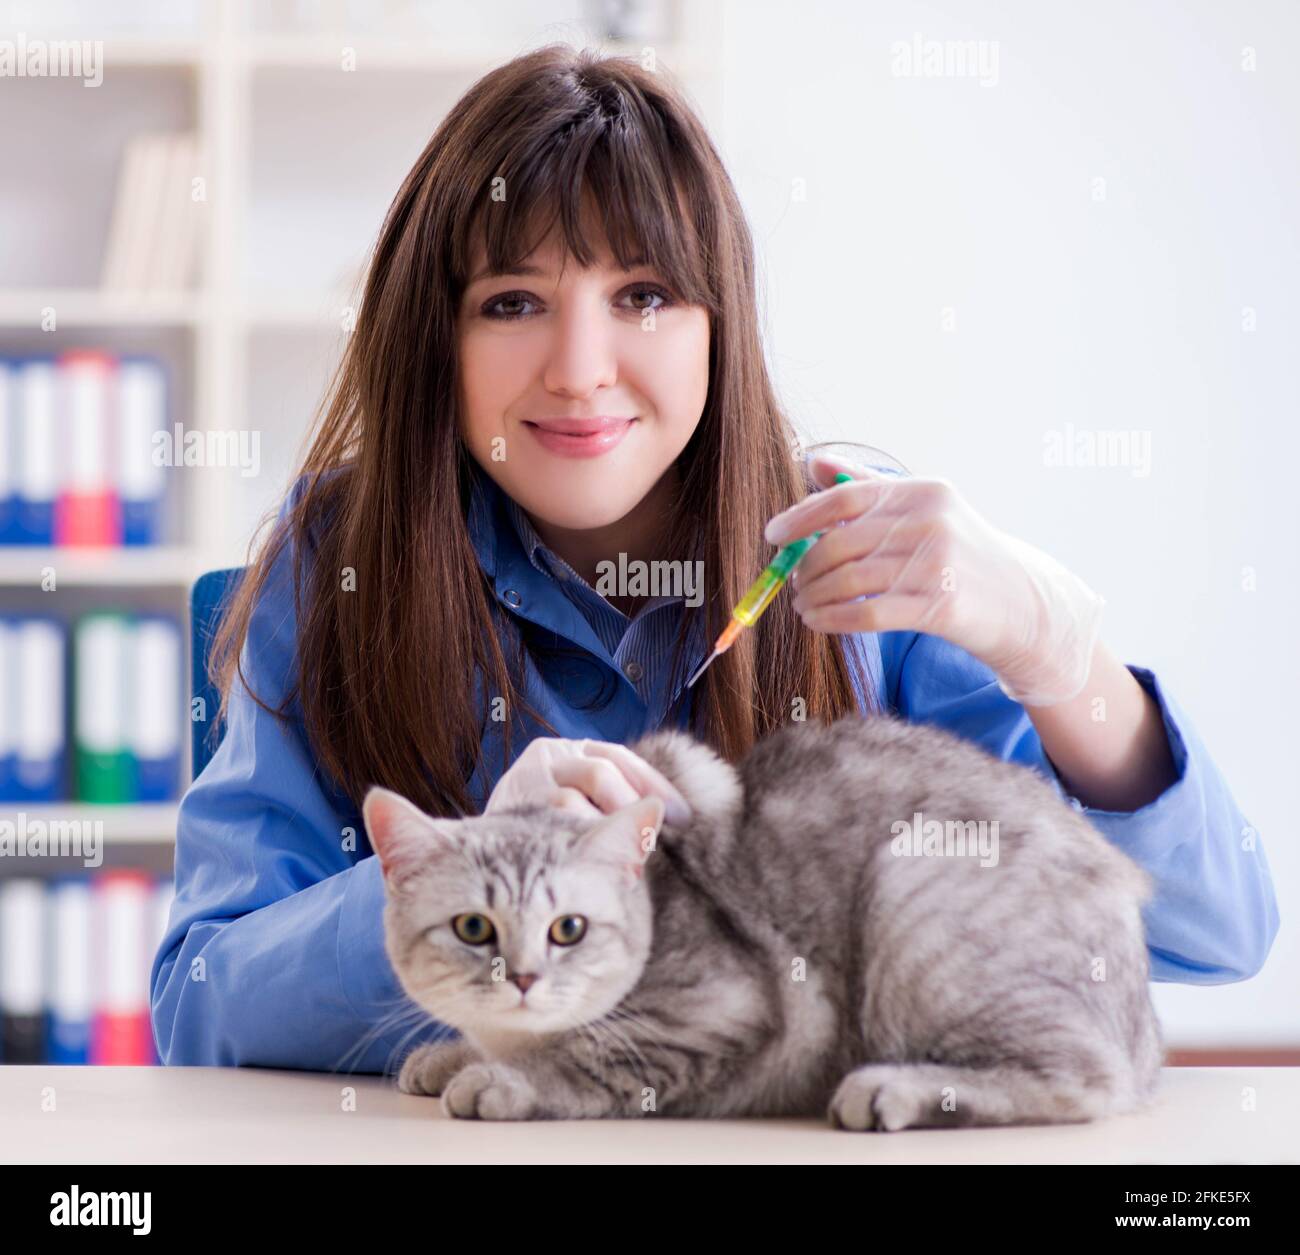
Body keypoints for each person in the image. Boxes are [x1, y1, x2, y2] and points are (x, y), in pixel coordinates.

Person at [151, 45, 1278, 1073]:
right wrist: (450, 875)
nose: (580, 368)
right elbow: (199, 1005)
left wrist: (1055, 651)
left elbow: (1210, 934)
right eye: (512, 303)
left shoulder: (849, 556)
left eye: (641, 295)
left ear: (718, 324)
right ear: (433, 344)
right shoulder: (334, 564)